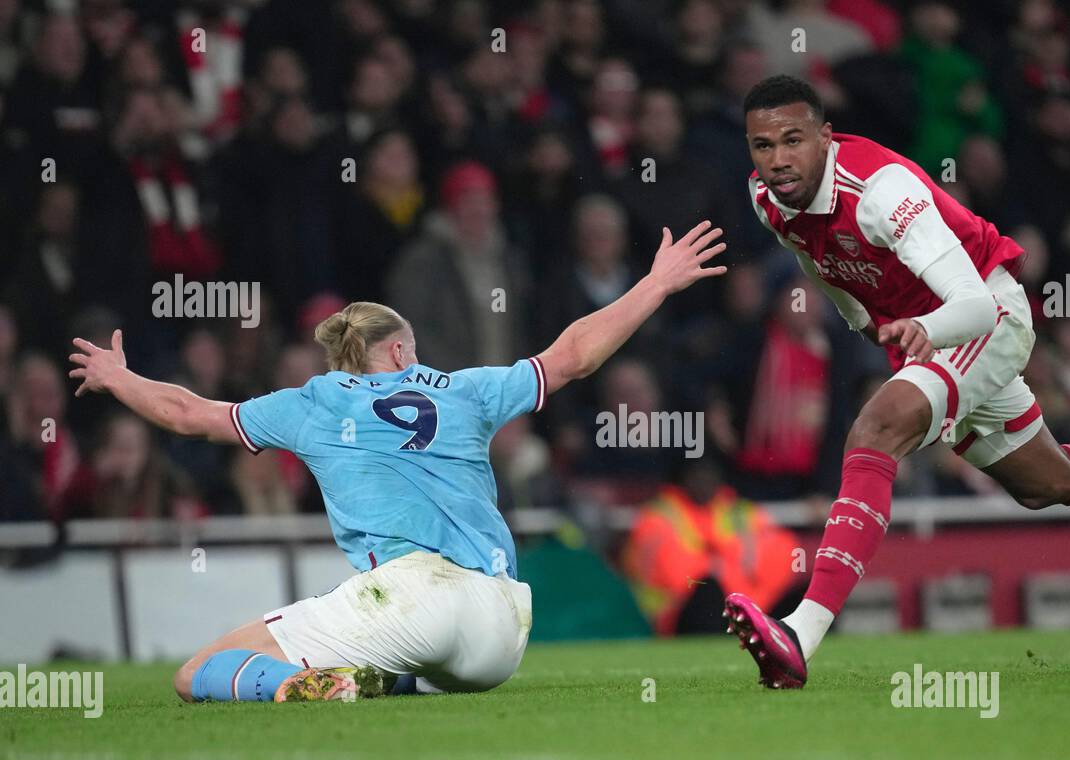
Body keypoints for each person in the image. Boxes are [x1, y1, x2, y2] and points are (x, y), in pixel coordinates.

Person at [724, 75, 1070, 690]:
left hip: (985, 313)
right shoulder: (766, 197)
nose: (777, 161)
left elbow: (974, 306)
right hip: (924, 336)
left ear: (826, 138)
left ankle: (800, 632)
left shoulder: (881, 190)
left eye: (792, 141)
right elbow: (815, 255)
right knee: (1047, 481)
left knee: (875, 431)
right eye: (762, 146)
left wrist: (918, 328)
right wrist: (862, 318)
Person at [67, 220, 727, 703]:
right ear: (400, 353)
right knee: (402, 658)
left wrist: (119, 377)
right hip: (502, 630)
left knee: (198, 672)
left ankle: (303, 686)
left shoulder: (316, 399)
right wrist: (655, 283)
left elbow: (188, 414)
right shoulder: (468, 388)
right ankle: (383, 679)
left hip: (415, 599)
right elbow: (575, 355)